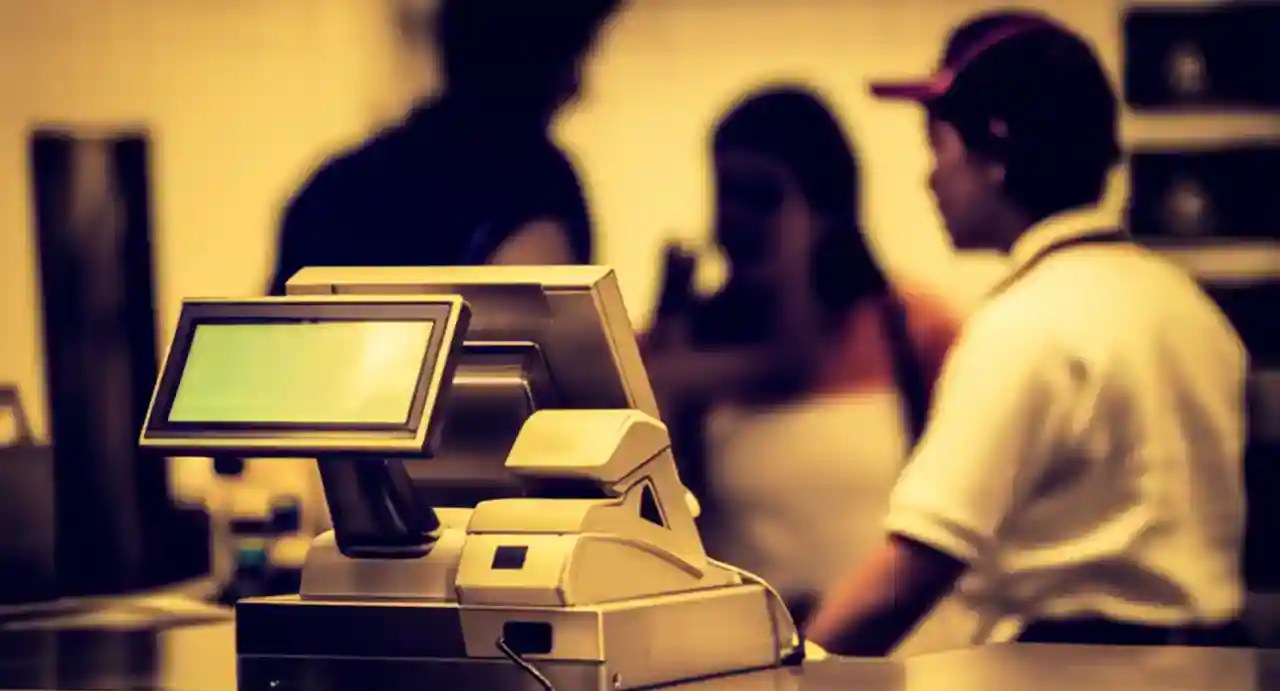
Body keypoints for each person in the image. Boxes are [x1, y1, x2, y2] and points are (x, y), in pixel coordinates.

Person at [805, 12, 1249, 655]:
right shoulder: (1187, 307)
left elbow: (913, 567)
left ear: (996, 150)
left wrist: (790, 677)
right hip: (1216, 674)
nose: (929, 177)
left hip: (1075, 680)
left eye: (938, 146)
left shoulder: (1025, 326)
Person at [642, 87, 958, 641]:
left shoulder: (911, 329)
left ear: (826, 206)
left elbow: (963, 520)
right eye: (728, 194)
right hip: (744, 664)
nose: (738, 219)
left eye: (764, 196)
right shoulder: (687, 342)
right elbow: (654, 527)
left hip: (903, 662)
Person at [266, 0, 622, 294]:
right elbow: (536, 353)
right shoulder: (542, 185)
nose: (579, 88)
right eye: (577, 57)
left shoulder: (332, 188)